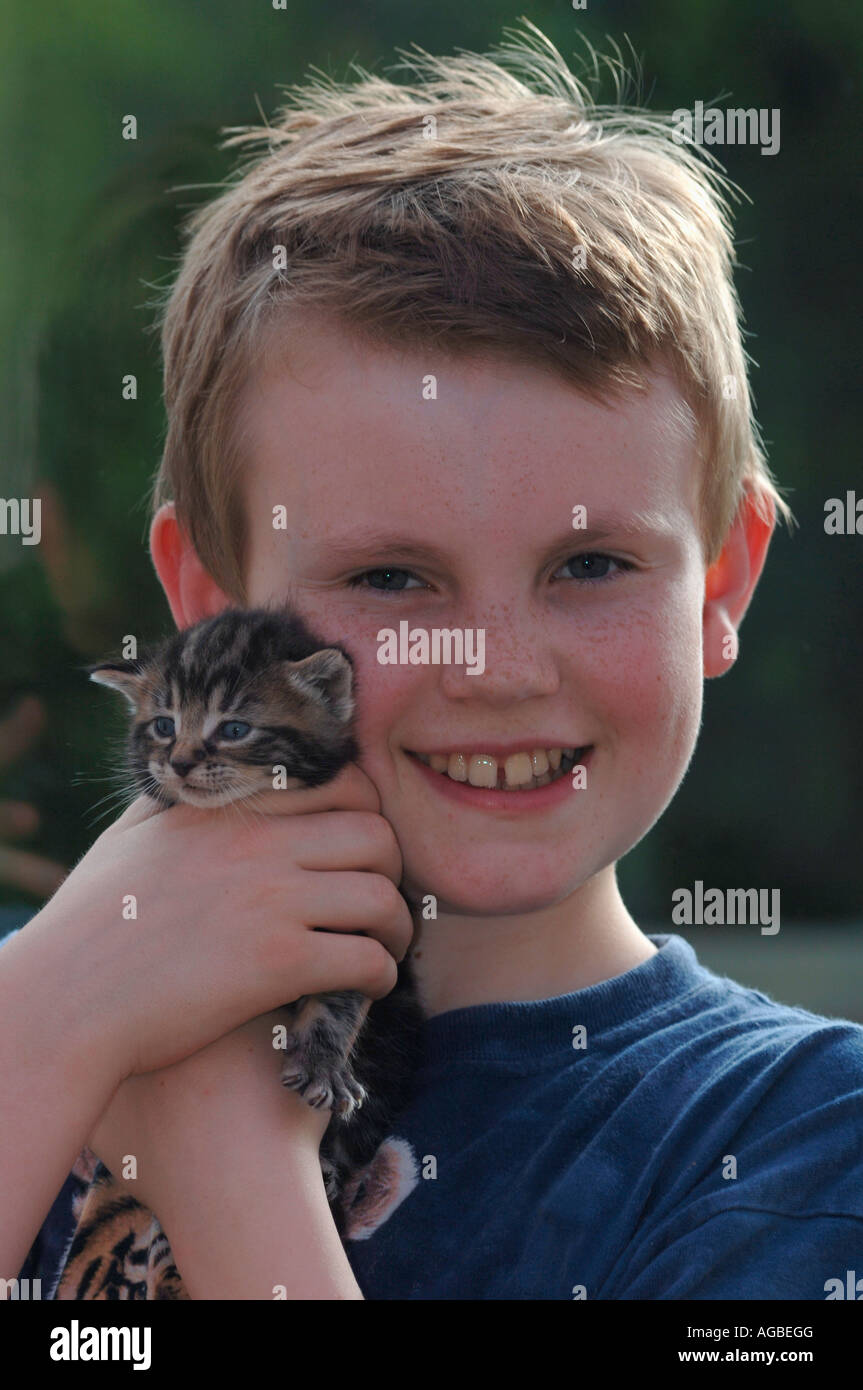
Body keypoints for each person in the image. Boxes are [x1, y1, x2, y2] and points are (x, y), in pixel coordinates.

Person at [3, 24, 862, 1301]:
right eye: (390, 579)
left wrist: (222, 1144)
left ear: (721, 581)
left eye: (589, 565)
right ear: (212, 611)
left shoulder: (797, 1145)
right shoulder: (40, 1015)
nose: (496, 669)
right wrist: (50, 1011)